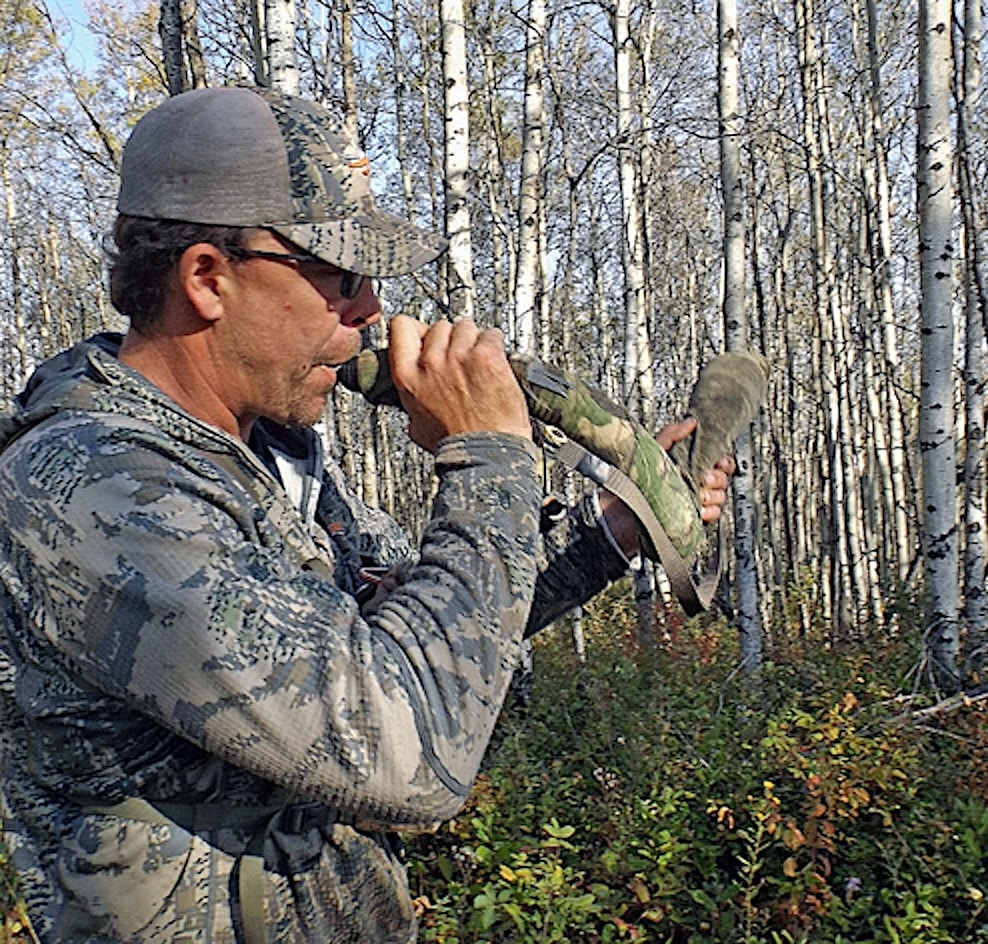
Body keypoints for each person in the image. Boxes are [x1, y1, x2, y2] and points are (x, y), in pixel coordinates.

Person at [0, 86, 734, 943]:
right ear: (207, 278)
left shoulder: (267, 459)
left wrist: (614, 528)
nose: (371, 310)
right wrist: (487, 455)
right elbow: (402, 749)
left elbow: (426, 634)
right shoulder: (97, 491)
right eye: (341, 277)